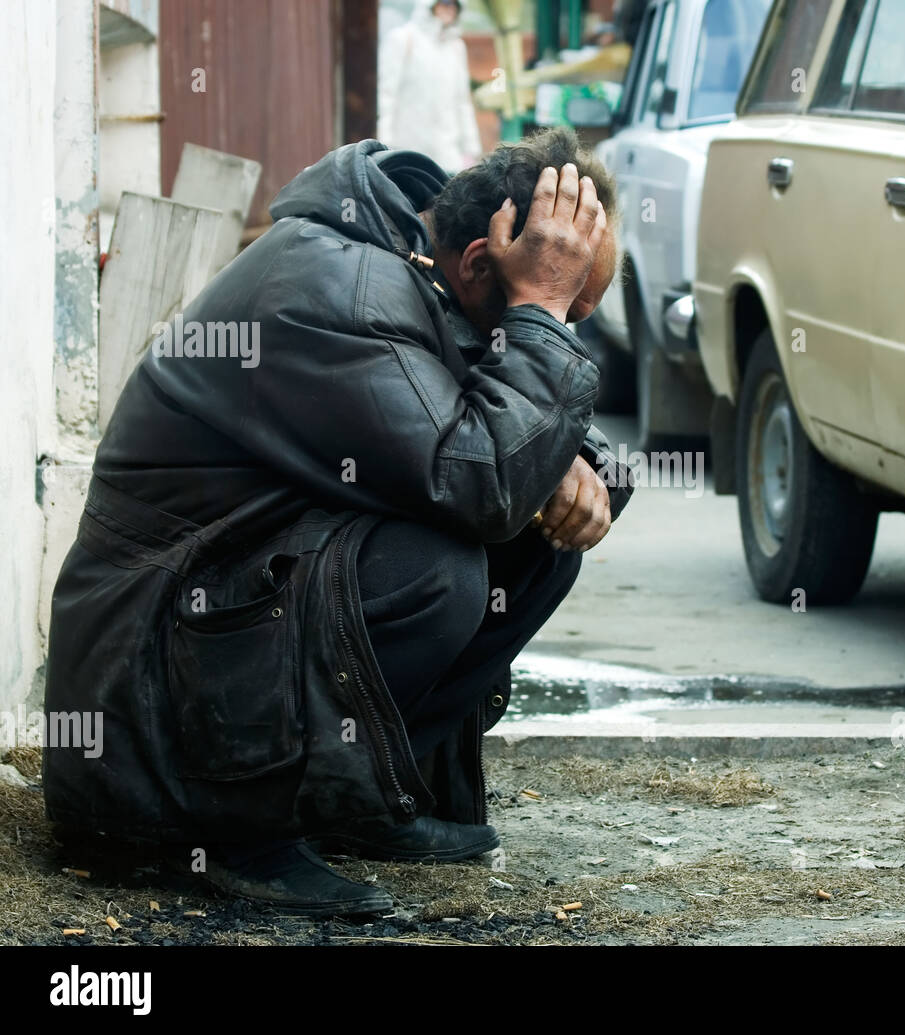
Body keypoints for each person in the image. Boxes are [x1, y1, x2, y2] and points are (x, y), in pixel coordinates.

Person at [42, 128, 633, 916]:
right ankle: (231, 828)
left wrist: (570, 457)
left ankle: (352, 800)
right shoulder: (341, 287)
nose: (564, 333)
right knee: (441, 571)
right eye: (558, 314)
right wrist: (537, 334)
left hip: (220, 622)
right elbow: (482, 480)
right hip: (146, 692)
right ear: (480, 265)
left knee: (536, 549)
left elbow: (518, 444)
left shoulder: (416, 260)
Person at [378, 0, 483, 173]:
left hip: (447, 155)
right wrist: (384, 144)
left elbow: (462, 101)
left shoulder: (456, 47)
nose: (449, 9)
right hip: (408, 150)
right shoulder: (403, 39)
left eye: (454, 4)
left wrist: (471, 148)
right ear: (428, 5)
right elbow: (386, 95)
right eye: (444, 2)